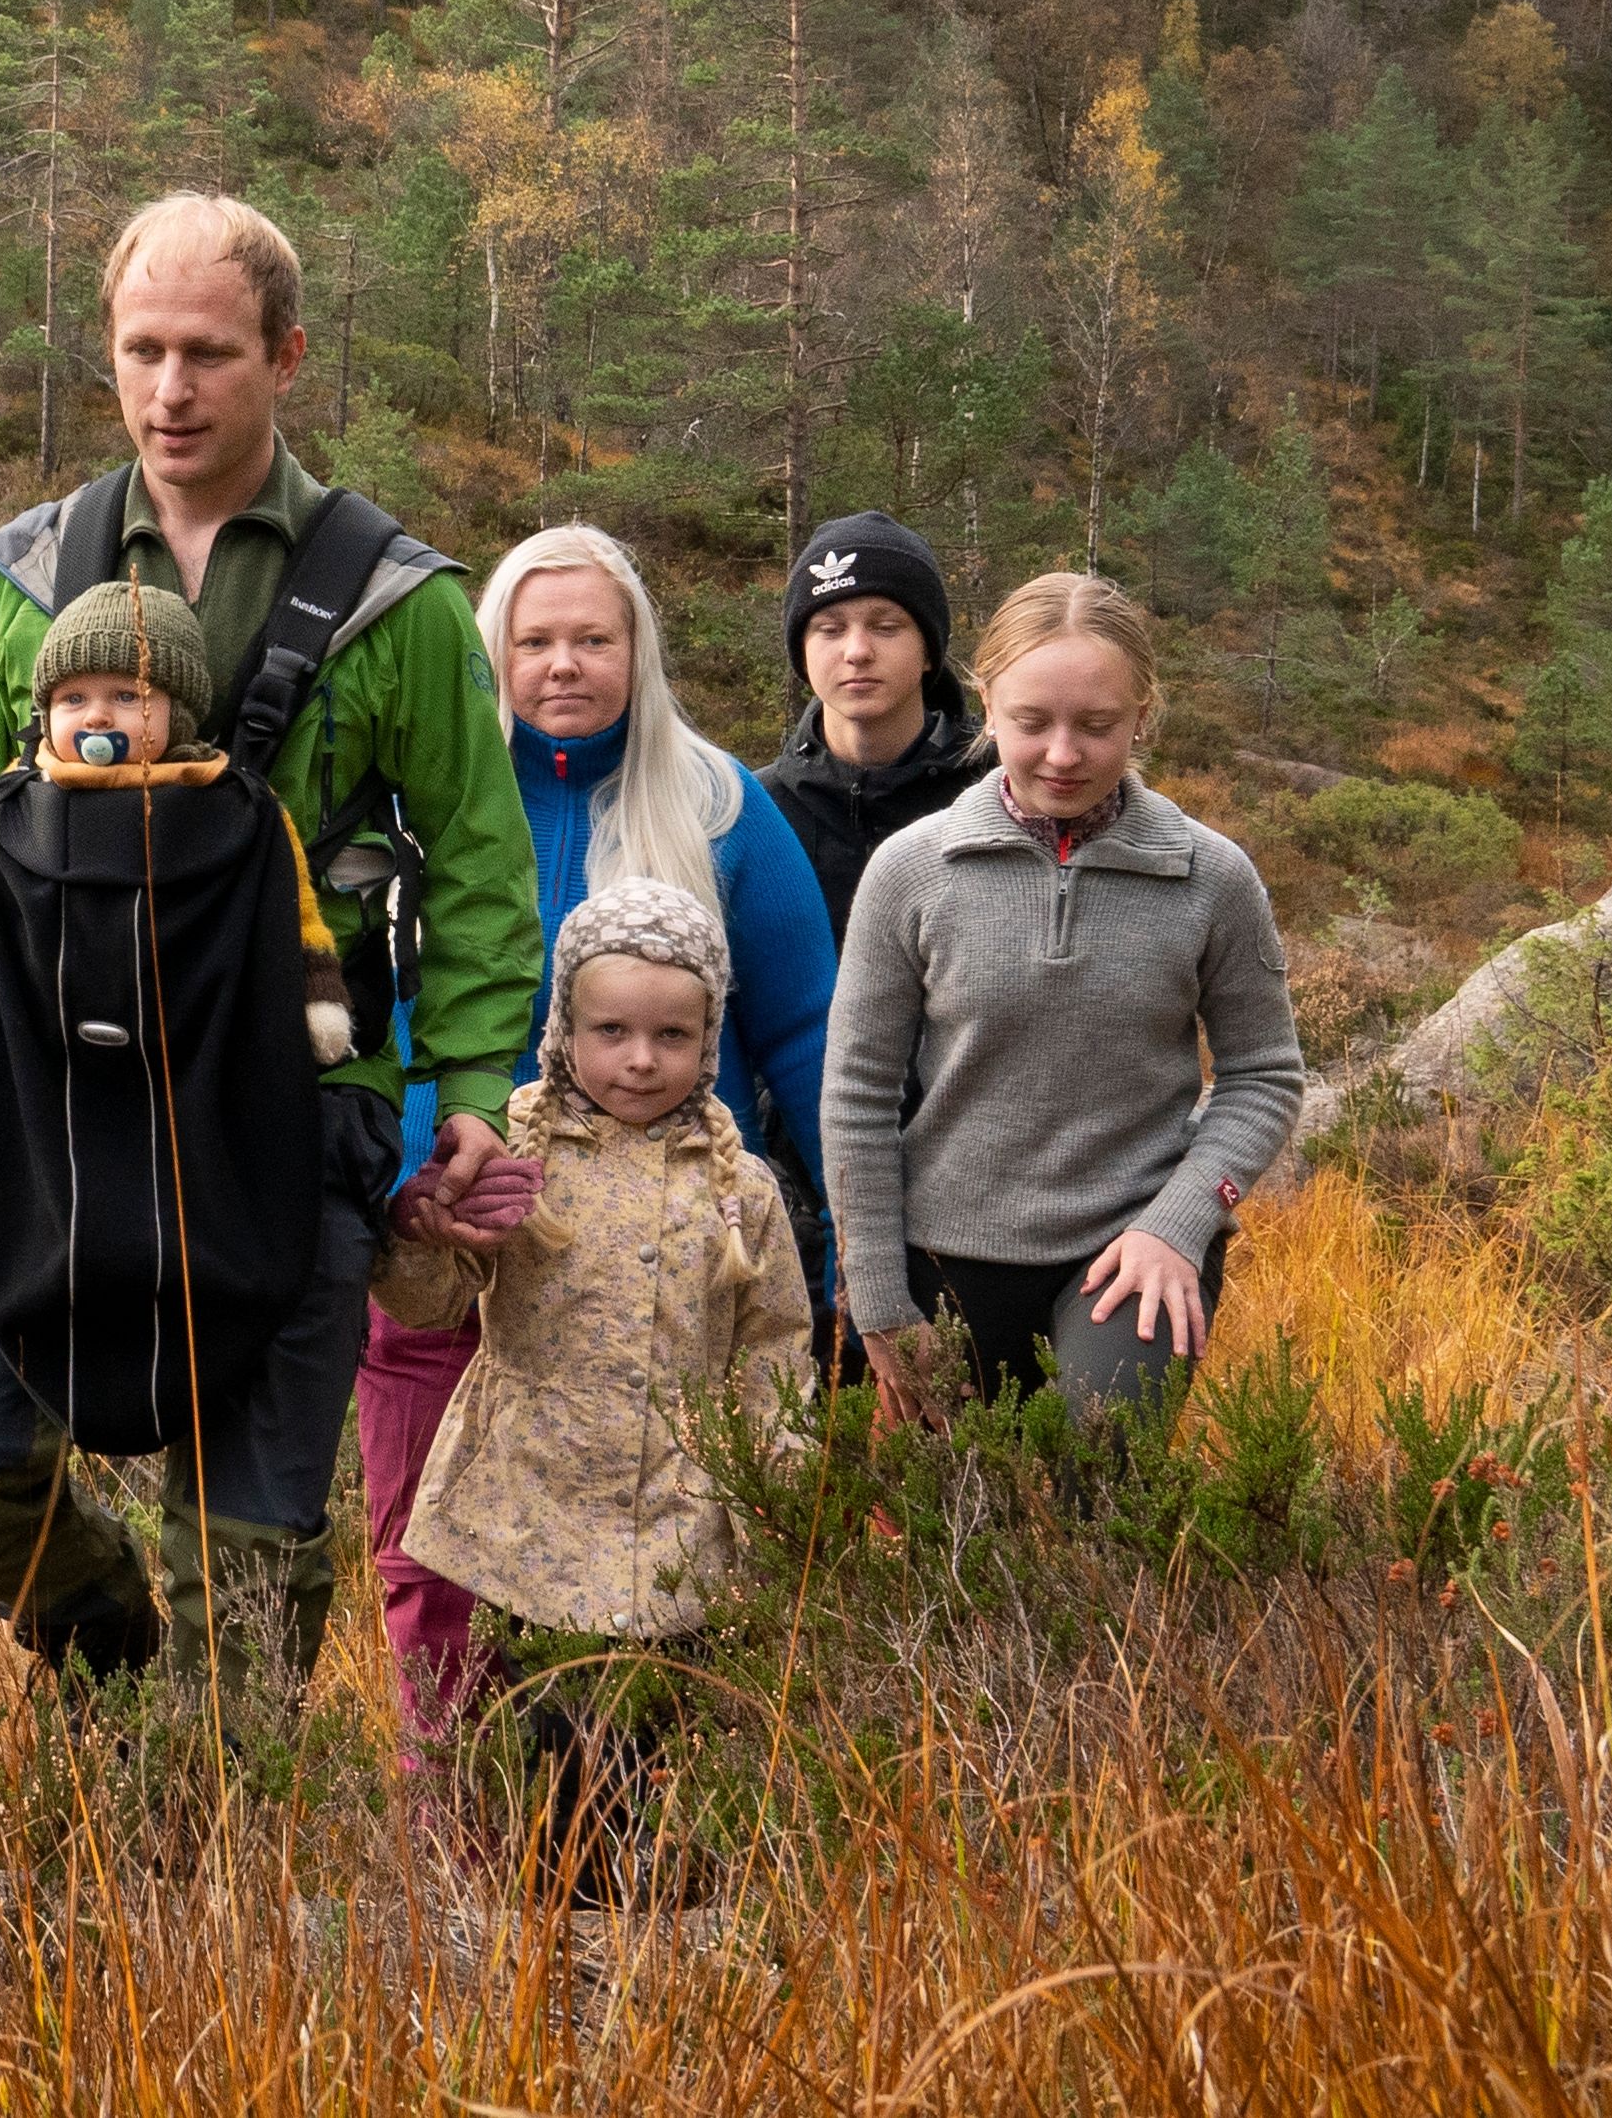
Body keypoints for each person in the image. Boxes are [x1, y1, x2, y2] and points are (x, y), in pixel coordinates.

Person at [0, 194, 545, 1708]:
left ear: (284, 356)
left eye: (210, 353)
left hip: (285, 1123)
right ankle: (109, 1657)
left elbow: (484, 866)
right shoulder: (15, 583)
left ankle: (203, 1841)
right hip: (34, 1112)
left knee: (245, 1547)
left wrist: (472, 1080)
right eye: (142, 349)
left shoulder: (396, 602)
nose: (171, 389)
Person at [357, 523, 832, 1747]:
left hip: (662, 1251)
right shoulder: (422, 808)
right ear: (489, 655)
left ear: (640, 651)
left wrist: (852, 1246)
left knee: (649, 1568)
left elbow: (806, 1033)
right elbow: (363, 1011)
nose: (563, 664)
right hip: (441, 1224)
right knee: (428, 1556)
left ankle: (637, 1849)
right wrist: (402, 1186)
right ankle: (459, 1833)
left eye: (593, 638)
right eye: (533, 639)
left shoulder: (720, 805)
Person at [370, 880, 815, 1873]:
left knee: (652, 1741)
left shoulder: (737, 1188)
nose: (641, 1059)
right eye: (610, 1029)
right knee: (538, 1737)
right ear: (565, 1027)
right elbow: (435, 1302)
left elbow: (775, 1348)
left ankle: (648, 1924)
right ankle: (535, 1928)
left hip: (678, 1511)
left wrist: (776, 1486)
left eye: (672, 1034)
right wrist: (424, 1234)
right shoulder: (513, 1151)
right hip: (529, 1501)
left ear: (709, 1040)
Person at [0, 582, 360, 1455]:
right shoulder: (2, 813)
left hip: (200, 1102)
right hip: (44, 1103)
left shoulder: (242, 816)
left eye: (126, 697)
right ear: (45, 713)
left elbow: (296, 925)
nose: (95, 716)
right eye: (72, 700)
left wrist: (317, 1001)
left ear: (176, 707)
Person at [819, 573, 1307, 1424]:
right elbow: (857, 1094)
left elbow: (1263, 1076)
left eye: (1097, 725)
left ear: (1143, 717)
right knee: (948, 1529)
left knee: (1102, 1481)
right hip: (943, 1255)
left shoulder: (1212, 877)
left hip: (1129, 1251)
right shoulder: (910, 870)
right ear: (986, 705)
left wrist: (1183, 1221)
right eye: (1031, 722)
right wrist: (879, 1303)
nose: (1062, 754)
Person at [760, 511, 998, 939]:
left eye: (886, 627)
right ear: (802, 655)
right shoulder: (759, 812)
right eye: (829, 629)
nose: (857, 651)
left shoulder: (1000, 796)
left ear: (929, 651)